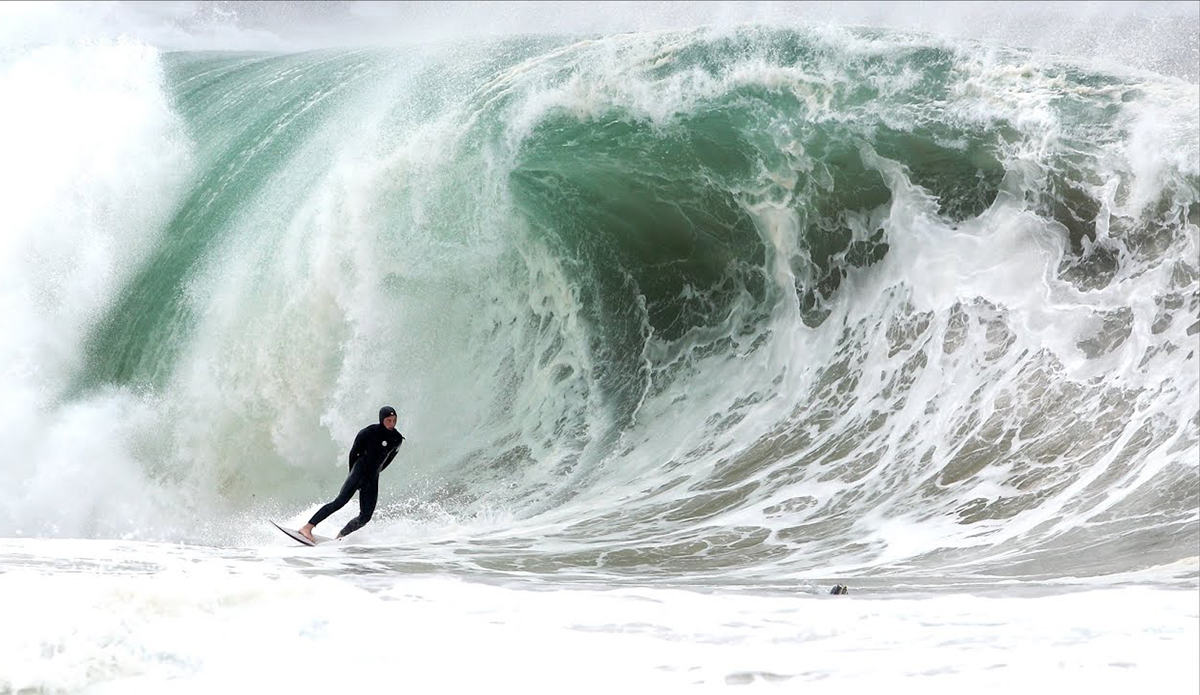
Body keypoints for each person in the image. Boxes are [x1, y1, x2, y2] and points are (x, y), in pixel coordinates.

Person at [299, 406, 405, 542]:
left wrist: (374, 473)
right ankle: (307, 528)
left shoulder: (397, 439)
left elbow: (388, 460)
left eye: (394, 420)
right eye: (388, 420)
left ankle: (340, 536)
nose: (392, 424)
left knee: (365, 517)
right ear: (381, 419)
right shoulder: (368, 432)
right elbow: (353, 453)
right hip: (359, 471)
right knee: (339, 502)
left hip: (372, 477)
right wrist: (353, 474)